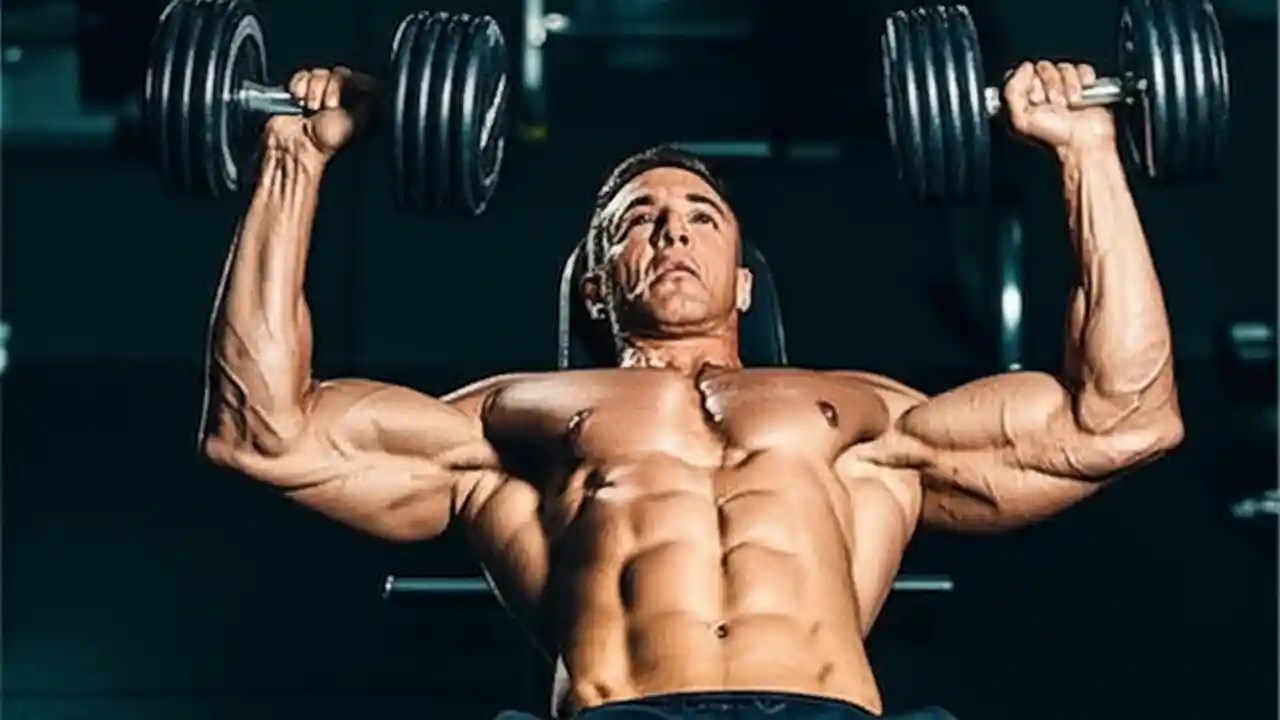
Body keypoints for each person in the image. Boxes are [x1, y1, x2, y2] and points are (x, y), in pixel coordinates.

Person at [200, 60, 1184, 719]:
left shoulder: (863, 414)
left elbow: (1121, 417)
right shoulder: (513, 418)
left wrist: (1083, 150)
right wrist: (294, 154)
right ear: (595, 278)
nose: (672, 232)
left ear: (743, 277)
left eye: (701, 216)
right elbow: (264, 431)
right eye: (637, 220)